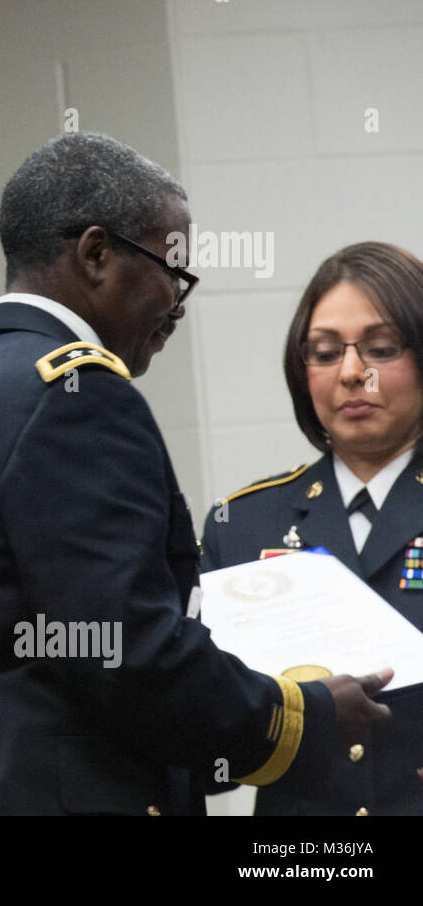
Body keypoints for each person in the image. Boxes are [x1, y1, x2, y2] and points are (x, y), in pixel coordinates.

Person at [0, 132, 391, 815]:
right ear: (97, 254)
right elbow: (130, 654)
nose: (179, 304)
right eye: (173, 270)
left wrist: (1, 737)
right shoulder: (78, 397)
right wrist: (301, 715)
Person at [202, 241, 423, 816]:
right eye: (324, 353)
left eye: (380, 348)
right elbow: (206, 725)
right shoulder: (244, 522)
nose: (352, 373)